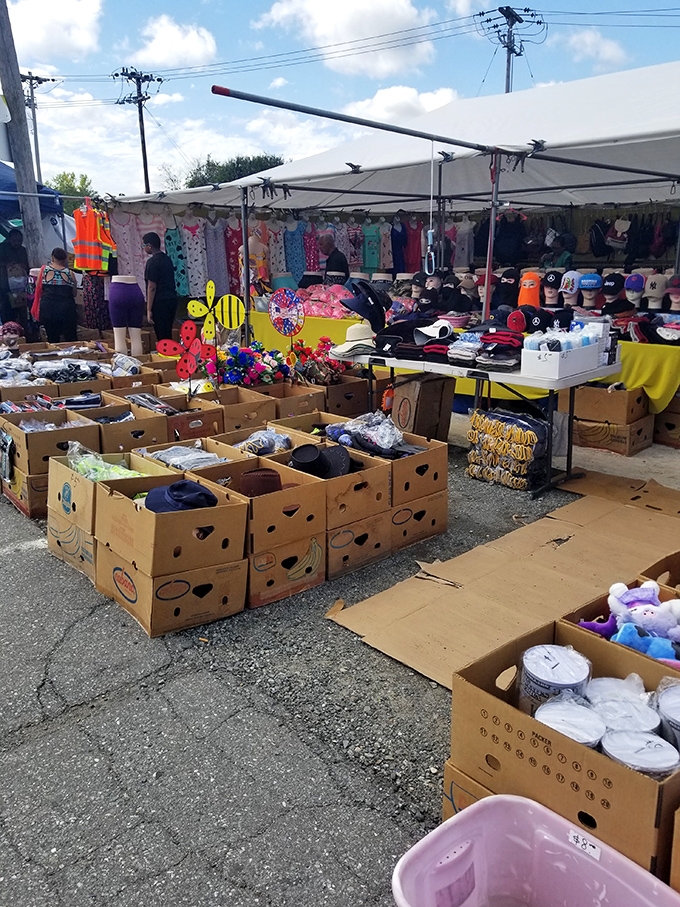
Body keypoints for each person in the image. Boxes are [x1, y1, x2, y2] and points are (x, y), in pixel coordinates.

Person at [142, 231, 177, 342]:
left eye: (144, 245)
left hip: (160, 301)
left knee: (161, 334)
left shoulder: (152, 262)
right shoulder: (167, 259)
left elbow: (152, 287)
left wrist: (148, 309)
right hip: (171, 299)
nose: (143, 248)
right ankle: (169, 354)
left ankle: (166, 356)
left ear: (149, 246)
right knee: (167, 331)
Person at [38, 247, 78, 342]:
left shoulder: (44, 271)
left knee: (52, 339)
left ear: (52, 258)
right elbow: (74, 293)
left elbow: (38, 288)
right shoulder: (70, 273)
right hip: (66, 310)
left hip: (48, 310)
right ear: (65, 259)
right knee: (70, 339)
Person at [0, 229, 29, 330]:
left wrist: (22, 266)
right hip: (6, 286)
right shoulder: (2, 248)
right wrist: (7, 265)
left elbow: (27, 265)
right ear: (9, 239)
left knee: (22, 311)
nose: (17, 243)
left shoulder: (23, 250)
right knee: (7, 311)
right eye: (14, 240)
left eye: (19, 241)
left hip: (21, 287)